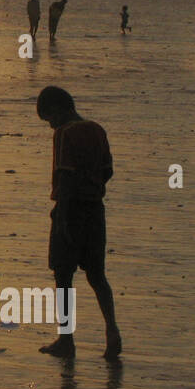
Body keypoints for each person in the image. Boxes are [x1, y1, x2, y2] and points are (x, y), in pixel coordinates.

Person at [35, 86, 121, 360]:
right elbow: (108, 171)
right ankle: (112, 332)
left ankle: (66, 339)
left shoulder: (65, 134)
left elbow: (66, 176)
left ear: (59, 110)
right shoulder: (97, 129)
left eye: (49, 119)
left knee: (63, 276)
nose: (51, 126)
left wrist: (62, 219)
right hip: (95, 210)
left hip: (70, 211)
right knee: (97, 275)